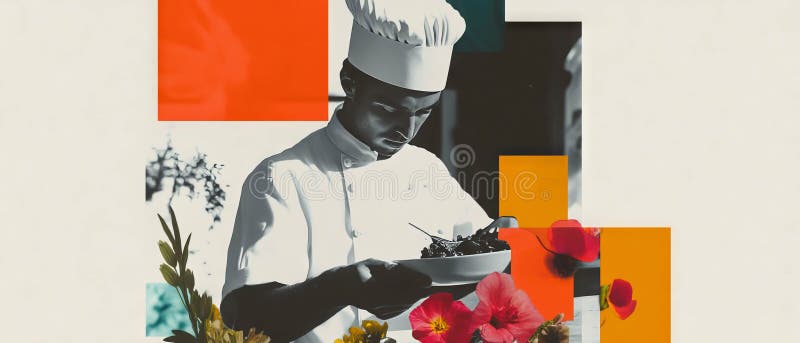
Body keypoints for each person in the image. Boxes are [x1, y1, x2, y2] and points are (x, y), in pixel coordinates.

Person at [220, 1, 515, 341]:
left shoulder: (426, 168)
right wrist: (339, 287)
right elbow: (245, 314)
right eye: (388, 108)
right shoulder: (283, 176)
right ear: (349, 82)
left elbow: (477, 264)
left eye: (424, 112)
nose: (407, 130)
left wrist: (502, 238)